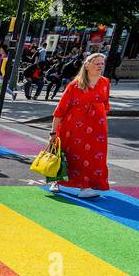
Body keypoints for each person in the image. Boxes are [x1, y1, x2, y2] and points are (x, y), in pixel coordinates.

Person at [48, 52, 110, 199]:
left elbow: (105, 105)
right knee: (68, 155)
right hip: (73, 128)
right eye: (97, 63)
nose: (100, 66)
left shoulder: (105, 82)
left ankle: (85, 186)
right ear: (87, 65)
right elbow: (60, 109)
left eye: (102, 63)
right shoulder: (74, 85)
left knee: (93, 157)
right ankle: (56, 180)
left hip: (97, 128)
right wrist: (53, 132)